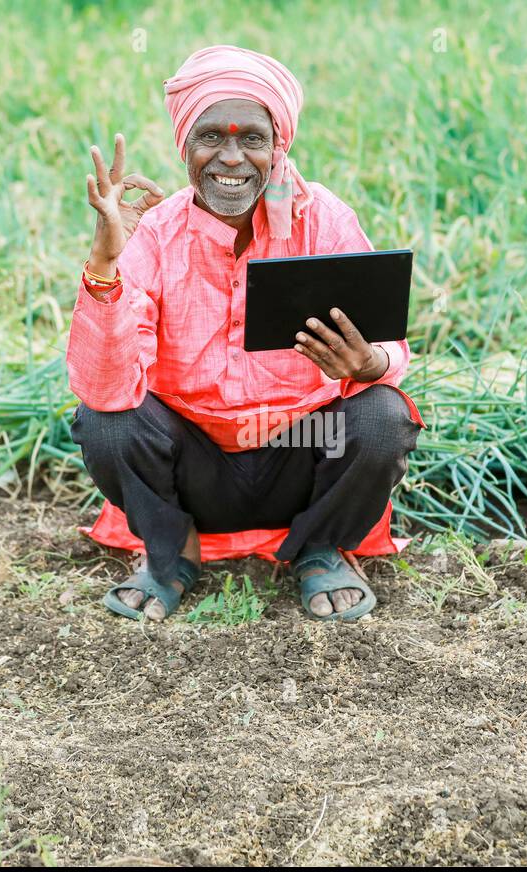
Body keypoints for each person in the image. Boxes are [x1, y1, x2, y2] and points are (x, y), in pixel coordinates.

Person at [67, 45, 423, 623]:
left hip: (300, 456)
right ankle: (171, 551)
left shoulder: (323, 219)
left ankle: (319, 546)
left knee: (383, 414)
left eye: (251, 139)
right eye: (211, 137)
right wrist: (105, 262)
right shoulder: (154, 234)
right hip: (192, 466)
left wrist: (366, 365)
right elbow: (106, 389)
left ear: (277, 146)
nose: (230, 158)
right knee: (105, 422)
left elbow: (390, 346)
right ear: (184, 145)